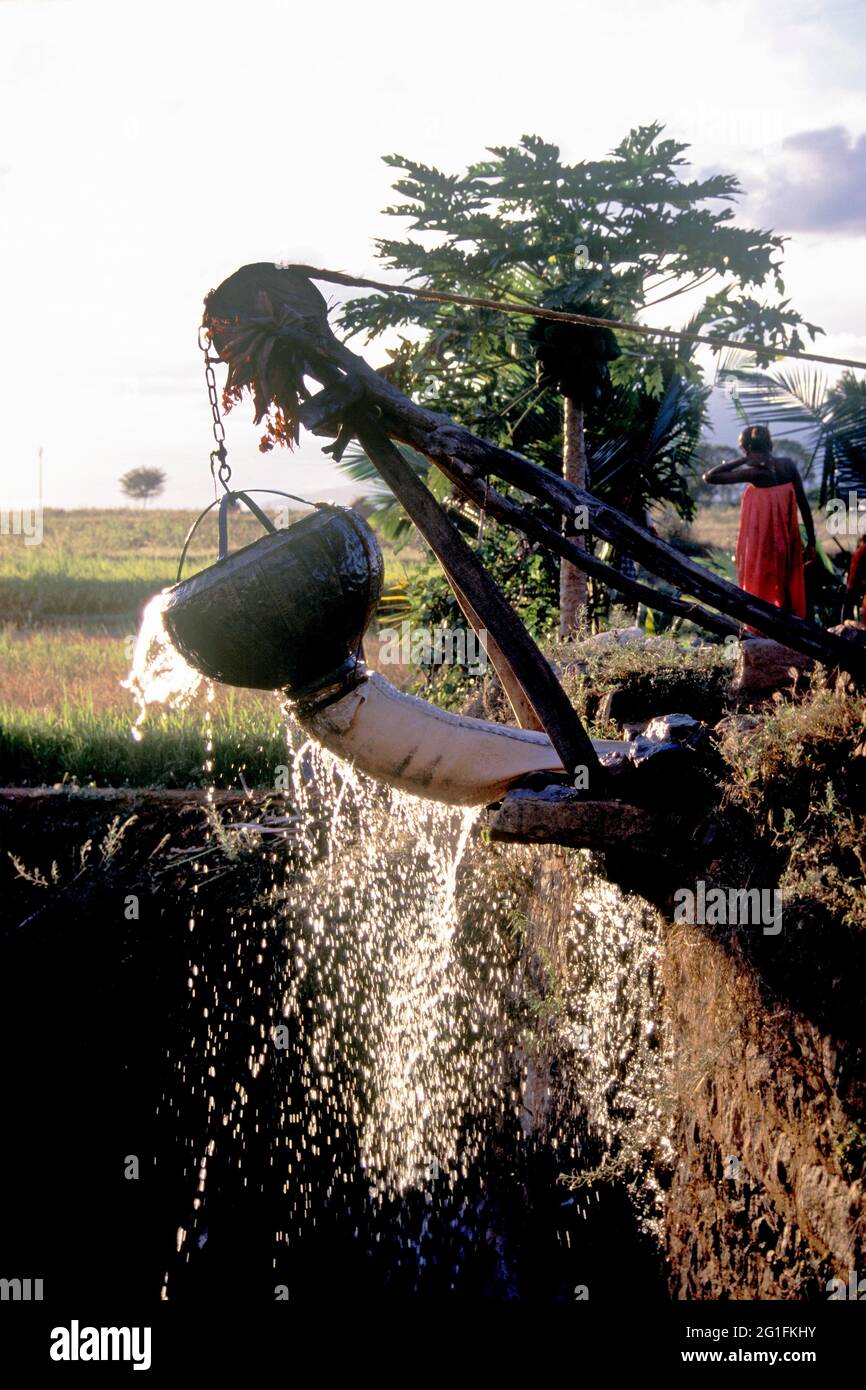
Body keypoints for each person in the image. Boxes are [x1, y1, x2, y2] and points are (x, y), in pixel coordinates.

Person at [703, 425, 816, 621]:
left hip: (764, 543)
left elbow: (710, 477)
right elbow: (804, 505)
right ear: (769, 444)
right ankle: (791, 629)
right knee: (786, 584)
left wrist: (744, 460)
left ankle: (766, 629)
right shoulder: (787, 465)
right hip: (788, 540)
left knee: (764, 585)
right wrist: (811, 541)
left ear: (746, 448)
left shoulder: (755, 472)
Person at [842, 535, 866, 624]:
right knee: (850, 607)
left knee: (848, 606)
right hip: (856, 583)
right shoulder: (863, 550)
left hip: (853, 583)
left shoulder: (860, 550)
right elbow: (859, 570)